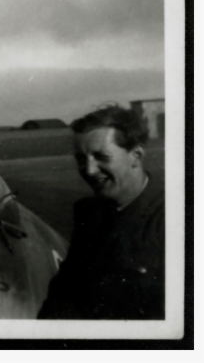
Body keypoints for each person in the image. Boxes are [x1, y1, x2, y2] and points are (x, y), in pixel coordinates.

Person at [38, 105, 164, 320]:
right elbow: (66, 292)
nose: (89, 170)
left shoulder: (175, 217)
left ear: (136, 155)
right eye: (81, 159)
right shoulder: (88, 212)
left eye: (102, 157)